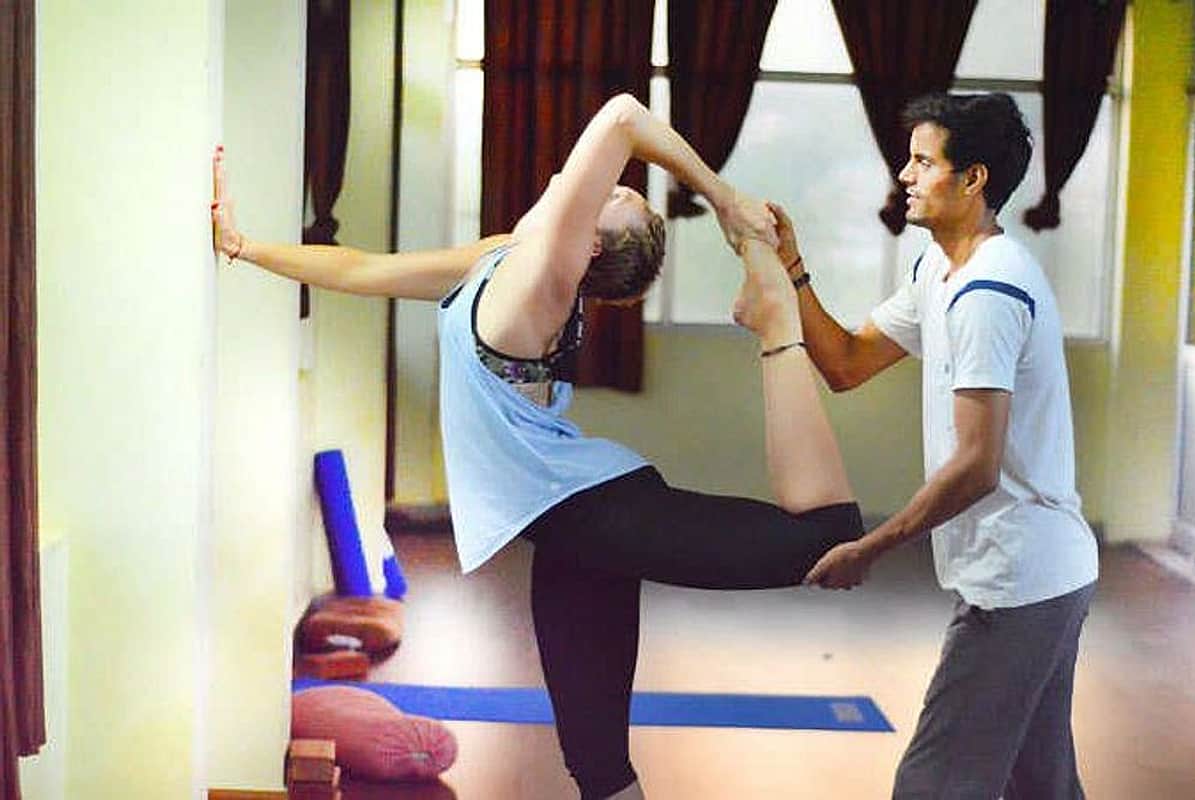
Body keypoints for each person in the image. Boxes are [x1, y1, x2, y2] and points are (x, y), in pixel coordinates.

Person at [212, 93, 864, 800]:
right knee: (598, 766)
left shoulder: (542, 285)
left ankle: (774, 315)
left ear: (583, 245)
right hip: (568, 531)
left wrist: (727, 200)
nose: (612, 182)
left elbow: (620, 116)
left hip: (596, 510)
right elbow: (365, 270)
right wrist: (246, 249)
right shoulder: (502, 259)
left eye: (613, 200)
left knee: (825, 539)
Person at [775, 92, 1098, 799]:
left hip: (1021, 581)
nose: (906, 174)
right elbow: (847, 364)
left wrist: (871, 546)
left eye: (924, 161)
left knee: (934, 784)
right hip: (1045, 575)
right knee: (1040, 784)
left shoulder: (989, 290)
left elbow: (977, 467)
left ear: (973, 179)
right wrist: (792, 270)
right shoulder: (937, 271)